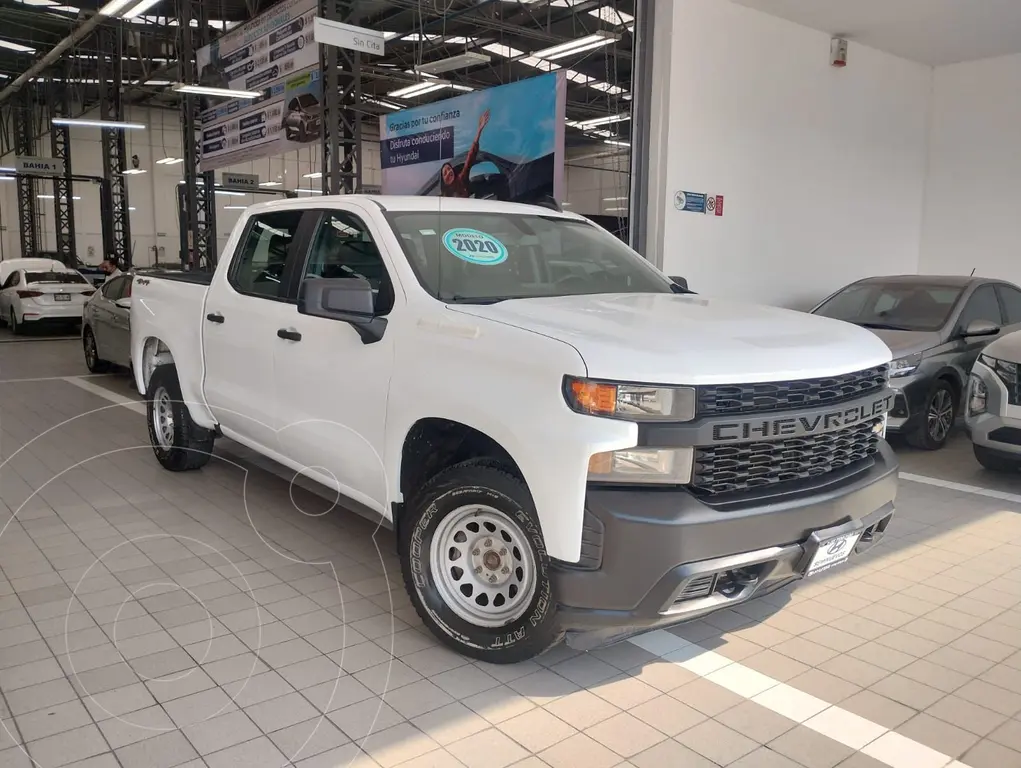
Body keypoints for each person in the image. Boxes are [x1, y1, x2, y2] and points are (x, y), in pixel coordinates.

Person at [440, 109, 490, 198]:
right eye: (445, 173)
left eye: (449, 169)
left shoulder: (461, 180)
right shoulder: (442, 198)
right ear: (443, 180)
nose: (449, 172)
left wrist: (479, 130)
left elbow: (470, 156)